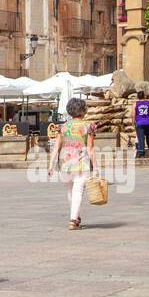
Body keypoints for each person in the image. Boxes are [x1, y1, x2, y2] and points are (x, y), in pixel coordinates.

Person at [47, 97, 98, 230]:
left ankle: (76, 216)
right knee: (78, 190)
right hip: (82, 162)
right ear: (83, 110)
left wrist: (51, 164)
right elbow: (90, 148)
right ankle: (73, 219)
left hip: (65, 163)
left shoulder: (63, 127)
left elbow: (56, 147)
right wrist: (96, 168)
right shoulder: (88, 126)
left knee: (70, 191)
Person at [133, 92, 149, 158]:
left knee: (140, 139)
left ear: (138, 97)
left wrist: (133, 122)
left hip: (139, 123)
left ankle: (141, 153)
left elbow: (133, 115)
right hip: (148, 123)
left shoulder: (135, 104)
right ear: (144, 96)